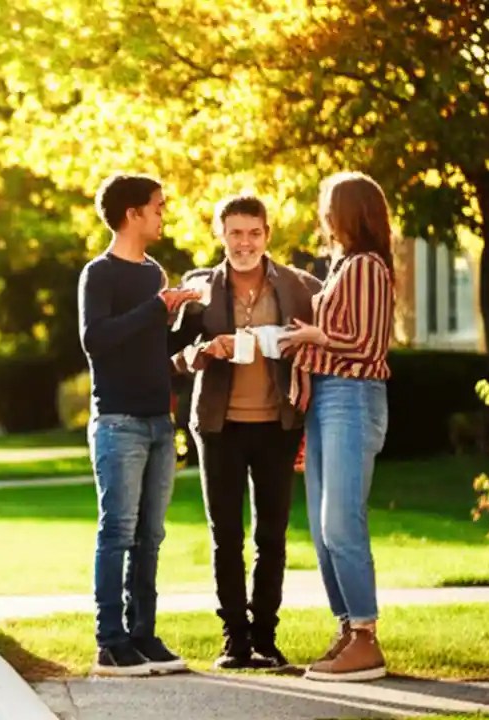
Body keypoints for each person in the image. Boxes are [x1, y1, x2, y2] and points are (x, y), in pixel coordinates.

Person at [170, 194, 322, 669]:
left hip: (278, 425)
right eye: (235, 232)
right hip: (219, 427)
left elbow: (325, 335)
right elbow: (176, 355)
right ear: (221, 235)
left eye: (254, 233)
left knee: (272, 536)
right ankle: (235, 640)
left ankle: (266, 639)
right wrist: (203, 352)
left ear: (267, 235)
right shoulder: (200, 288)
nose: (245, 243)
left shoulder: (297, 286)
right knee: (226, 536)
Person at [77, 173, 200, 676]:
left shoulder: (154, 274)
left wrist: (187, 334)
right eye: (158, 207)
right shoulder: (99, 274)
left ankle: (143, 636)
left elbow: (151, 346)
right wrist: (156, 307)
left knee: (151, 535)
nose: (163, 215)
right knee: (118, 532)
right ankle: (110, 642)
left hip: (158, 422)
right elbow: (96, 340)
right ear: (132, 214)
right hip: (118, 422)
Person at [279, 171, 396, 682]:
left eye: (330, 206)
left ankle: (366, 637)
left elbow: (367, 344)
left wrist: (314, 336)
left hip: (353, 395)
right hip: (328, 397)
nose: (324, 215)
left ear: (350, 212)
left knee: (341, 521)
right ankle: (348, 629)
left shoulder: (368, 266)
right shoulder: (342, 265)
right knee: (322, 527)